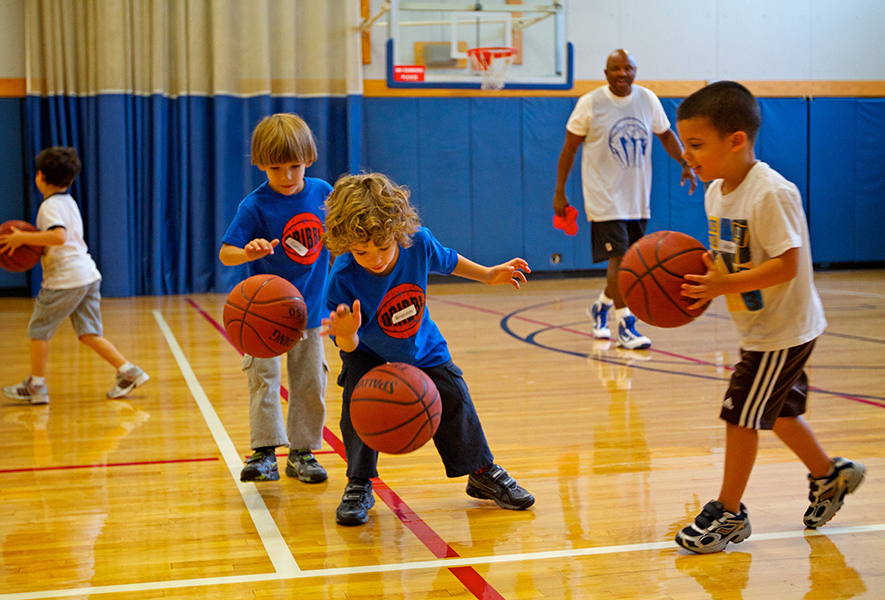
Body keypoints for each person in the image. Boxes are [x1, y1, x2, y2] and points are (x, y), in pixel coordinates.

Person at [674, 81, 866, 554]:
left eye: (697, 145)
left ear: (736, 139)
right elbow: (733, 259)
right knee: (778, 411)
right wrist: (706, 285)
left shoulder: (771, 193)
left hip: (784, 329)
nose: (688, 156)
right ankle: (831, 476)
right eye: (685, 146)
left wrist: (723, 286)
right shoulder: (716, 192)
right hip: (760, 325)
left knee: (740, 414)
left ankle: (729, 513)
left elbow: (787, 265)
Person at [321, 172, 535, 526]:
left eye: (382, 247)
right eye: (361, 251)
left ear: (398, 233)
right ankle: (358, 481)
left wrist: (487, 274)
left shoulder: (417, 243)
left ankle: (480, 471)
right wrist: (348, 335)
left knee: (454, 396)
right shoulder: (342, 278)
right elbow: (347, 343)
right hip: (366, 349)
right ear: (345, 245)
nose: (373, 258)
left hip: (421, 343)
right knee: (359, 408)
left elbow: (449, 261)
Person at [553, 48, 696, 349]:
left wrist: (686, 162)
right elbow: (569, 149)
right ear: (606, 73)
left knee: (629, 264)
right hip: (604, 197)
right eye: (616, 69)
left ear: (635, 70)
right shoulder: (590, 103)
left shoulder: (647, 99)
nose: (622, 74)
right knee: (620, 260)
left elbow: (667, 135)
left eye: (628, 68)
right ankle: (626, 326)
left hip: (637, 198)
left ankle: (601, 307)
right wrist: (559, 192)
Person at [219, 113, 330, 484]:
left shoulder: (323, 194)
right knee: (263, 379)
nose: (286, 176)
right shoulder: (255, 205)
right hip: (262, 317)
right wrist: (248, 252)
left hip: (311, 310)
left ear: (309, 160)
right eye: (275, 167)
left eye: (294, 166)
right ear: (260, 165)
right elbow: (226, 253)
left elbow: (341, 238)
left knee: (310, 382)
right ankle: (264, 451)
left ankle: (303, 452)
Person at [0, 147, 150, 406]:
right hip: (87, 275)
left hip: (65, 280)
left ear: (40, 177)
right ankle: (129, 372)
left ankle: (36, 385)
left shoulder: (49, 207)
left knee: (38, 329)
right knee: (88, 333)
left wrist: (22, 238)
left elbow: (58, 236)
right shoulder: (68, 202)